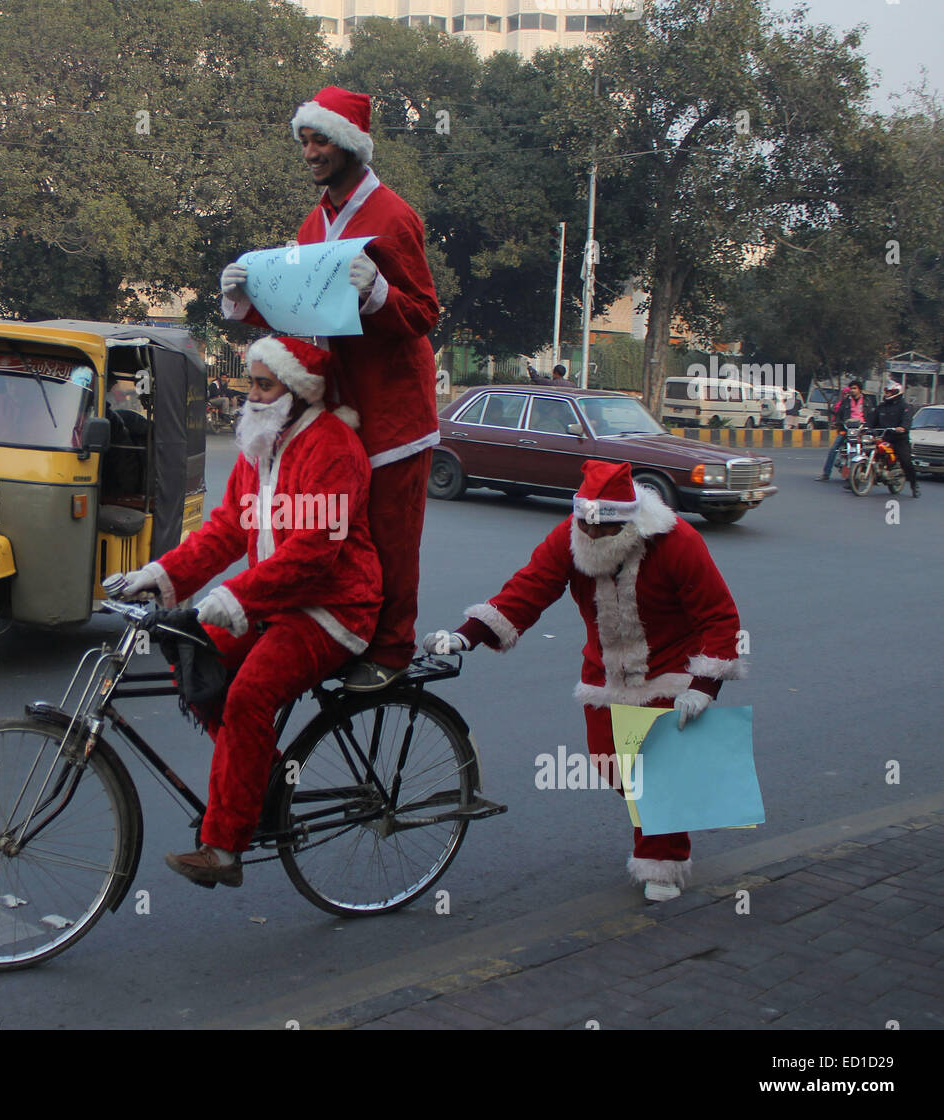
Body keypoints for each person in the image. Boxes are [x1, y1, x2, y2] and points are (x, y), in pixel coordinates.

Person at [114, 337, 382, 888]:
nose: (251, 395)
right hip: (275, 600)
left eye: (264, 384)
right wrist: (161, 575)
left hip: (334, 609)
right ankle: (263, 773)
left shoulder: (333, 446)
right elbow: (226, 531)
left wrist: (239, 596)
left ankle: (225, 848)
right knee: (191, 651)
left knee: (249, 695)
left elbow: (313, 553)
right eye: (251, 383)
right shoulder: (261, 444)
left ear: (299, 392)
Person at [420, 460, 746, 902]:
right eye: (585, 528)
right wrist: (467, 635)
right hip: (604, 673)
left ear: (628, 523)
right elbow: (528, 589)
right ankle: (677, 795)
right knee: (611, 764)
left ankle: (663, 861)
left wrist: (704, 687)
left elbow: (719, 615)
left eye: (602, 531)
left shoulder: (678, 543)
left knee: (656, 769)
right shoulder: (570, 537)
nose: (591, 538)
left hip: (669, 670)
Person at [219, 85, 439, 693]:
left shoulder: (395, 216)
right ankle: (339, 633)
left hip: (393, 411)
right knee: (334, 532)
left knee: (392, 535)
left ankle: (391, 650)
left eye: (320, 140)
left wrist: (377, 296)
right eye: (305, 140)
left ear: (348, 144)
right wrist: (243, 301)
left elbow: (423, 313)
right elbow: (301, 312)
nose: (310, 151)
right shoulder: (313, 220)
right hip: (338, 408)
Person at [870, 380, 920, 498]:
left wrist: (902, 428)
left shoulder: (905, 407)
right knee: (867, 447)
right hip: (883, 436)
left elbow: (907, 421)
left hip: (899, 438)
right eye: (886, 391)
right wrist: (866, 427)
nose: (886, 394)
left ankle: (914, 485)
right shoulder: (881, 407)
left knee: (905, 461)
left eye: (889, 392)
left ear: (896, 392)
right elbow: (872, 419)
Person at [815, 380, 871, 482]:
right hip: (847, 429)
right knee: (833, 449)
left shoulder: (867, 402)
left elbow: (871, 416)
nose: (852, 391)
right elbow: (839, 414)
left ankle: (868, 473)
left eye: (855, 388)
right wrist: (837, 422)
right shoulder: (846, 402)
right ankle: (826, 473)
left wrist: (868, 427)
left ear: (860, 390)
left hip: (862, 430)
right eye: (851, 389)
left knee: (869, 450)